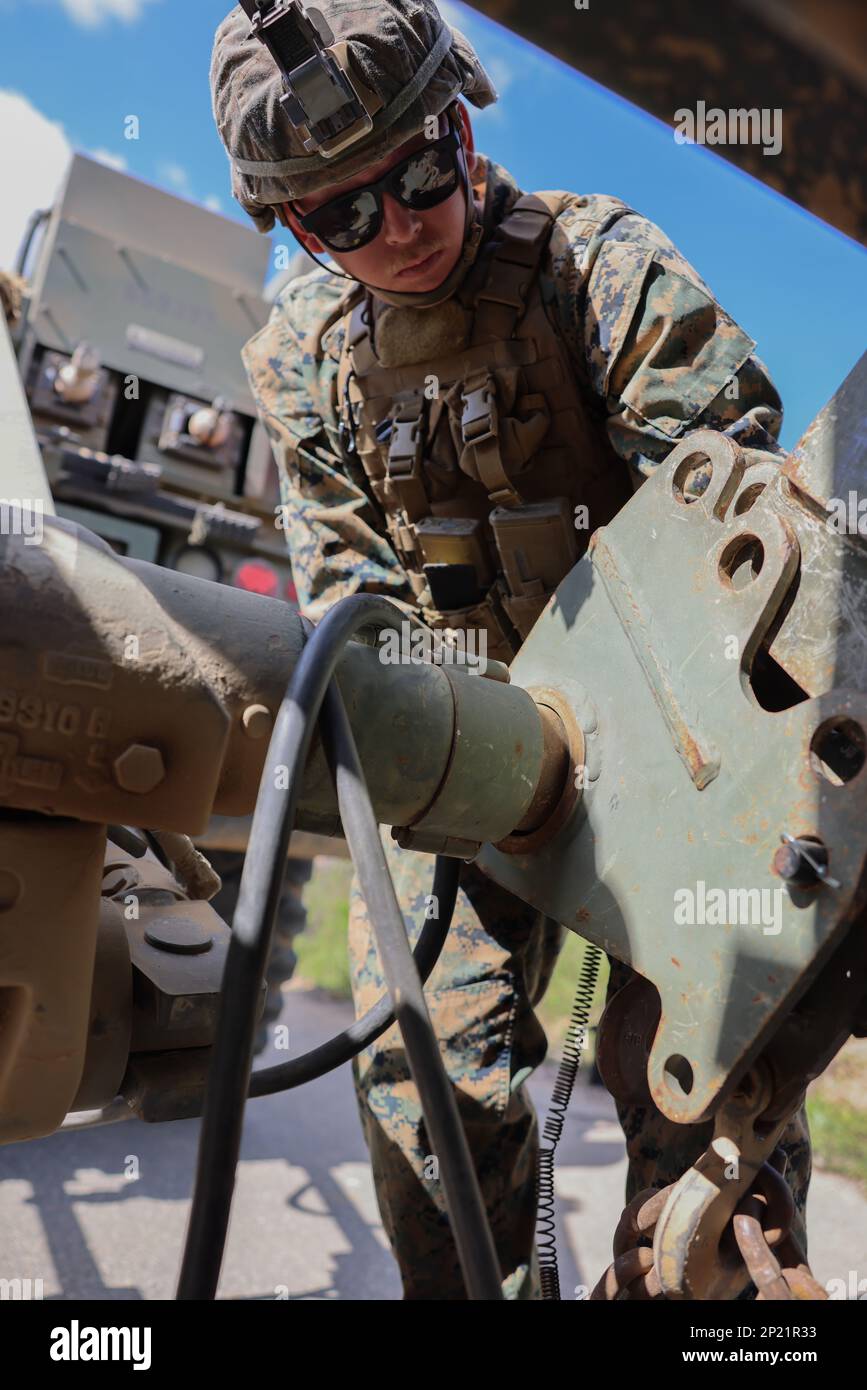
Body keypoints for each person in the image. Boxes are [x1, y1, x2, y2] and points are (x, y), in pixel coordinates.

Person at [210, 0, 810, 1298]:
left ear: (464, 124)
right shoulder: (306, 364)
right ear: (297, 230)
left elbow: (746, 539)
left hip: (677, 751)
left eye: (421, 171)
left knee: (714, 1103)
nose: (402, 223)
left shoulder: (597, 266)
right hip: (465, 754)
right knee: (424, 1090)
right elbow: (354, 611)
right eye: (344, 217)